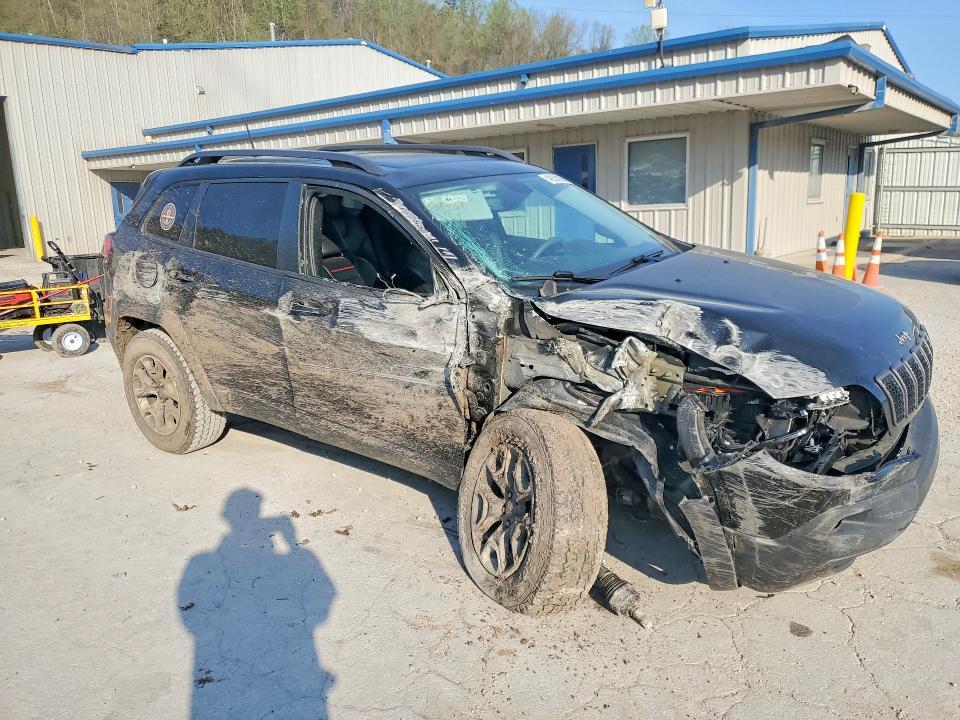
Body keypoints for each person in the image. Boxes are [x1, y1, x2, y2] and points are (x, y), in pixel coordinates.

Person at [178, 489, 335, 719]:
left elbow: (326, 595)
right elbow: (326, 595)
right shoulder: (208, 561)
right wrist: (292, 545)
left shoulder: (203, 560)